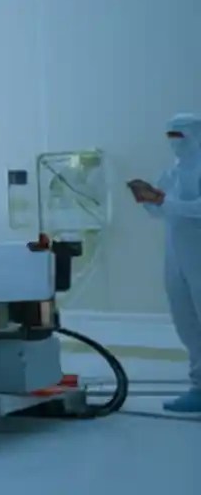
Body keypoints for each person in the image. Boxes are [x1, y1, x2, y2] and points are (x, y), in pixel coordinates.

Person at [130, 113, 201, 413]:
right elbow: (161, 211)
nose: (174, 143)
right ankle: (199, 385)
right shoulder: (170, 173)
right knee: (184, 318)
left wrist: (165, 203)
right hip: (176, 254)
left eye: (179, 136)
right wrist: (148, 201)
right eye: (170, 136)